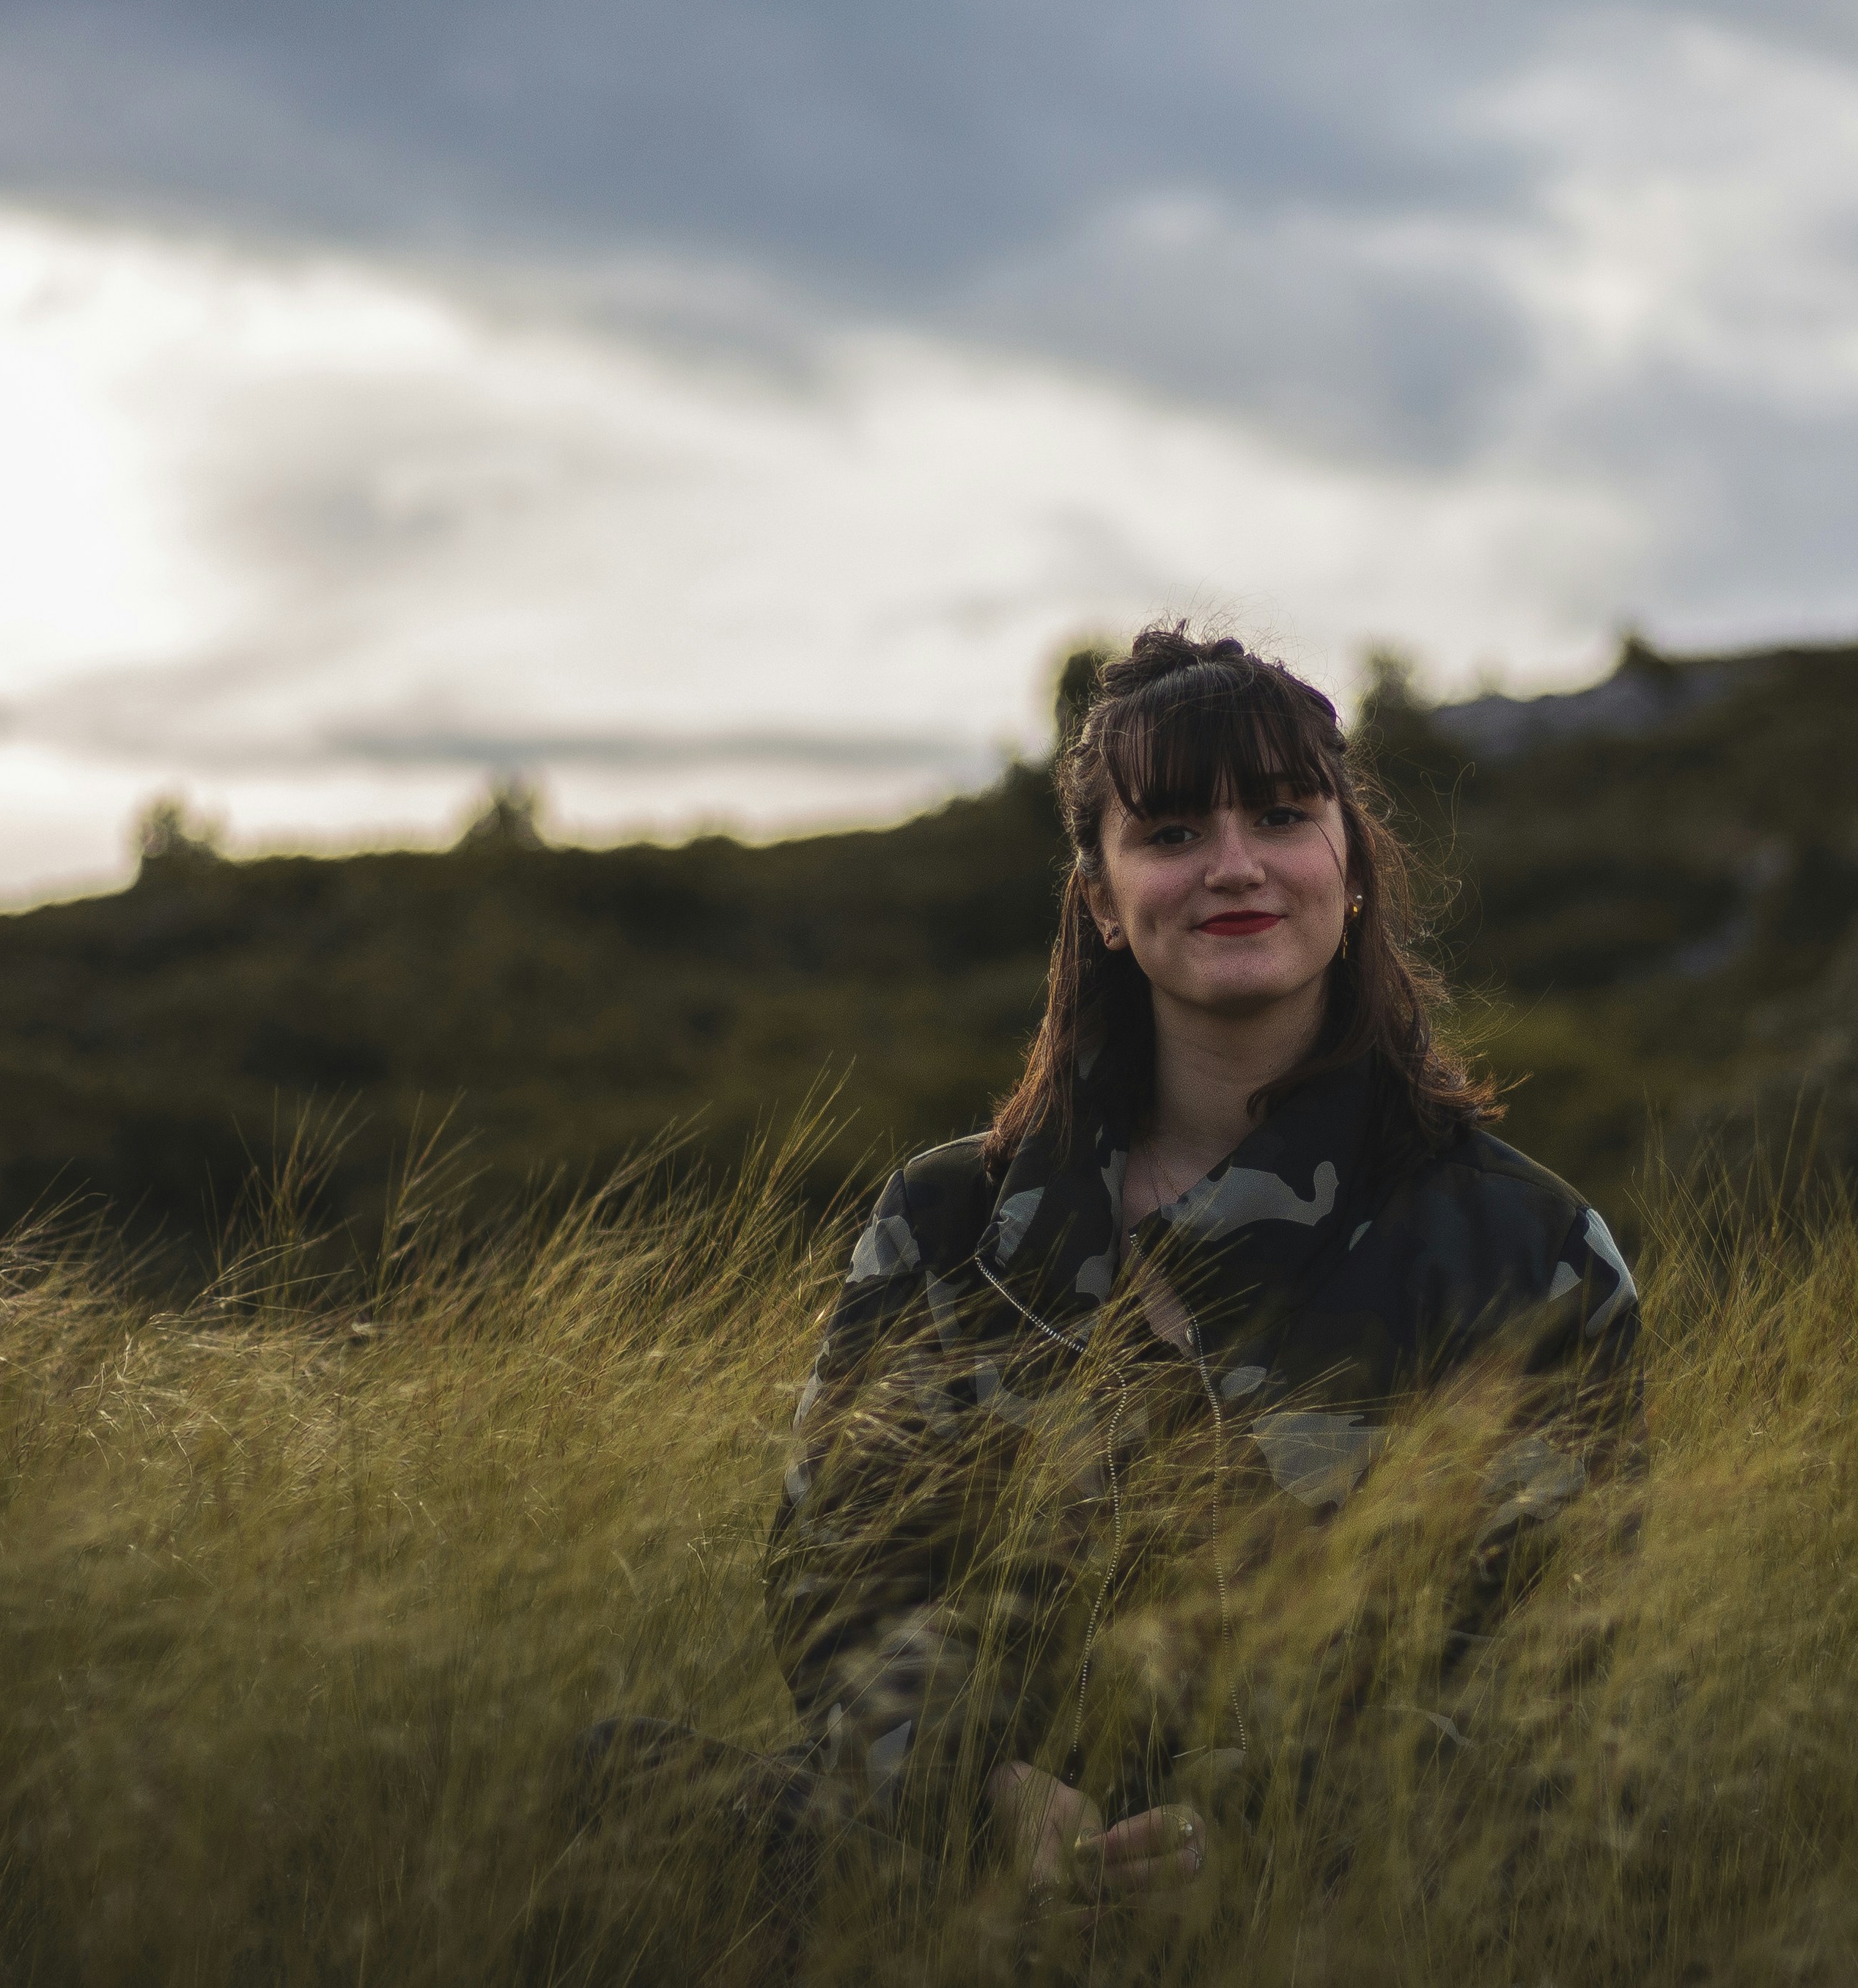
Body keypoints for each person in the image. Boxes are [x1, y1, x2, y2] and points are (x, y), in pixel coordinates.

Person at [603, 626, 1642, 1941]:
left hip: (1336, 1910)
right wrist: (986, 1795)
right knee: (611, 1788)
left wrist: (1252, 1838)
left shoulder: (1525, 1250)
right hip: (962, 1884)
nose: (1233, 865)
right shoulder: (950, 1224)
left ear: (1350, 865)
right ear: (1099, 897)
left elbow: (1550, 1663)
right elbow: (835, 1582)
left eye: (1279, 814)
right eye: (1169, 833)